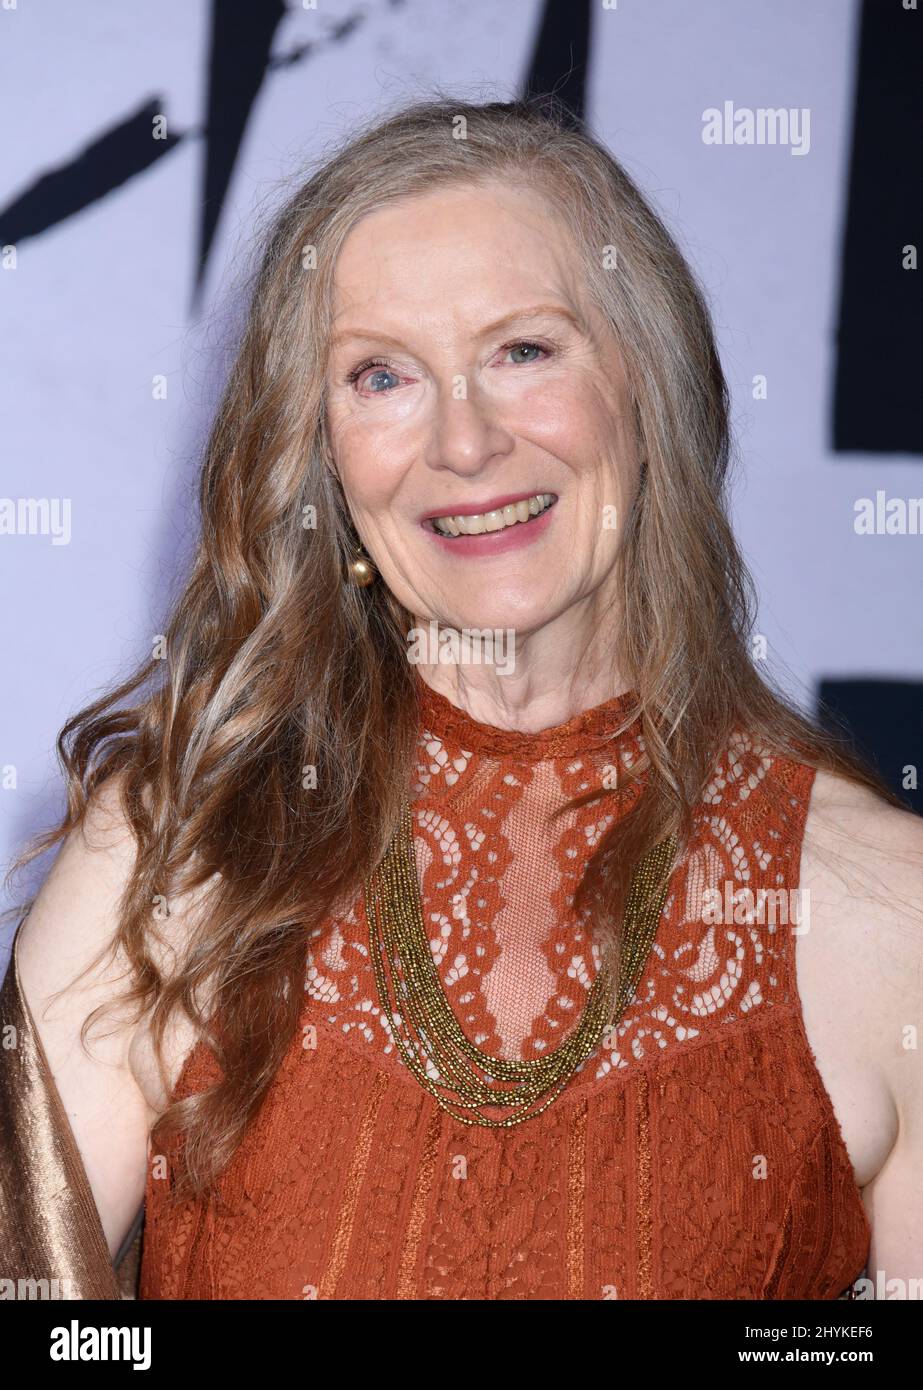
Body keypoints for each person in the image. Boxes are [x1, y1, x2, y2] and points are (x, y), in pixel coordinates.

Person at [2, 95, 920, 1302]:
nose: (466, 442)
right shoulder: (176, 845)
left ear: (650, 388)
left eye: (523, 351)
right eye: (381, 375)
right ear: (318, 449)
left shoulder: (884, 909)